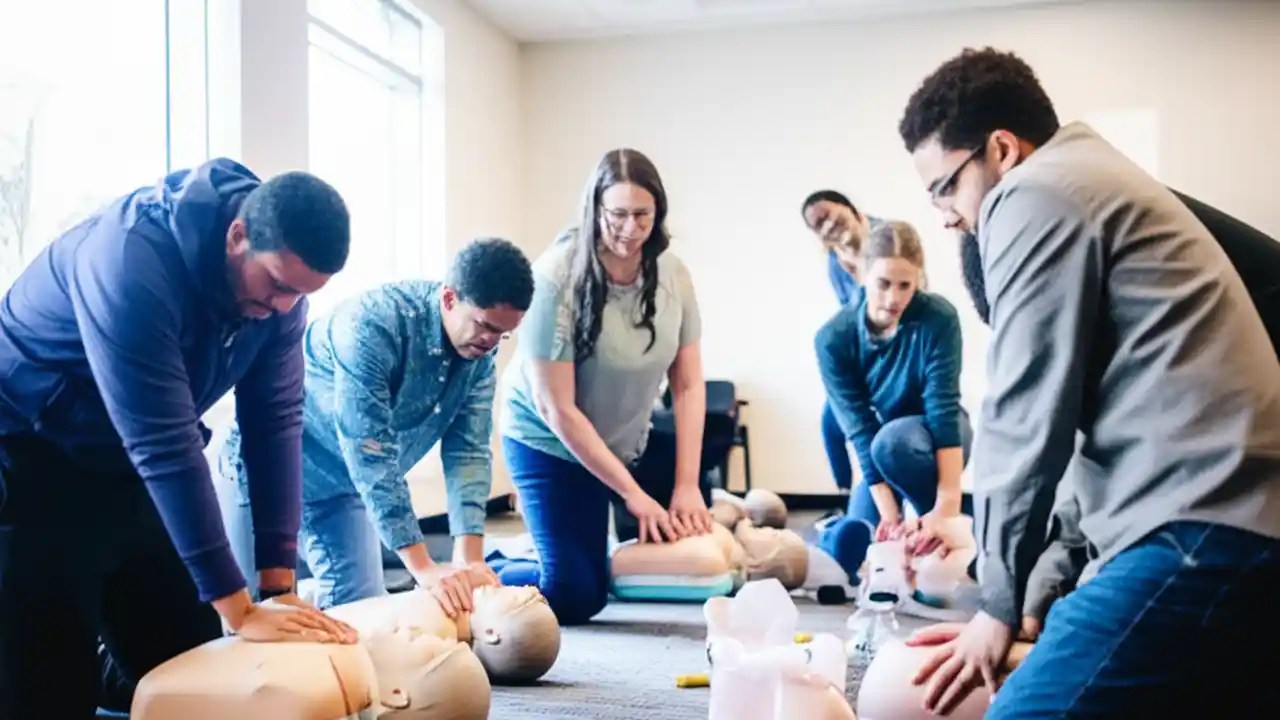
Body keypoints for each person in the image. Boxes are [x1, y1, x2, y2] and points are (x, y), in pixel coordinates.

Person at [897, 47, 1280, 717]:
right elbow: (1081, 453)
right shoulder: (1095, 179)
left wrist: (996, 603)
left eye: (945, 188)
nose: (946, 216)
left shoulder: (1033, 193)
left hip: (1201, 533)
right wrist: (1039, 591)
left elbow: (1022, 413)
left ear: (1002, 150)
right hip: (1234, 531)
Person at [0, 158, 359, 719]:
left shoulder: (280, 302)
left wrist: (276, 585)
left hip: (127, 464)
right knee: (48, 693)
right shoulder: (127, 261)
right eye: (279, 286)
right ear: (238, 236)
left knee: (193, 664)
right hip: (31, 455)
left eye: (302, 296)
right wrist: (239, 609)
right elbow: (165, 443)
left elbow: (275, 422)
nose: (285, 308)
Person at [217, 238, 533, 616]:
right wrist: (424, 569)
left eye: (504, 333)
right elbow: (370, 450)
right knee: (254, 618)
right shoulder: (370, 324)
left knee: (365, 613)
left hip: (341, 489)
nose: (492, 341)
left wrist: (469, 559)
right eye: (485, 325)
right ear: (449, 299)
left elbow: (468, 450)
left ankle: (314, 603)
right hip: (267, 476)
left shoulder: (482, 350)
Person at [496, 148, 714, 625]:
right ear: (595, 209)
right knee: (574, 594)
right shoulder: (554, 277)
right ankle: (484, 571)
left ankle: (577, 543)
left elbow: (689, 385)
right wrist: (633, 495)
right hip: (548, 441)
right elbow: (558, 410)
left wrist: (687, 485)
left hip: (620, 441)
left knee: (678, 536)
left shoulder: (673, 274)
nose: (630, 229)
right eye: (617, 214)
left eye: (643, 215)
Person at [812, 220, 974, 581]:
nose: (894, 298)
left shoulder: (939, 318)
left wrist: (946, 506)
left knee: (893, 444)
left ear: (919, 279)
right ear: (862, 274)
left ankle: (937, 528)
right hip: (882, 450)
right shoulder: (832, 339)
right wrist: (889, 516)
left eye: (906, 285)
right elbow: (858, 429)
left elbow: (942, 408)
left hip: (939, 436)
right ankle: (833, 533)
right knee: (855, 545)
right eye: (884, 283)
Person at [800, 190, 877, 498]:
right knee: (831, 423)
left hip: (898, 358)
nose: (828, 225)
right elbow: (849, 317)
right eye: (818, 225)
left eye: (830, 214)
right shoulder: (835, 261)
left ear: (850, 207)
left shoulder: (890, 238)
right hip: (862, 360)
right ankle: (846, 497)